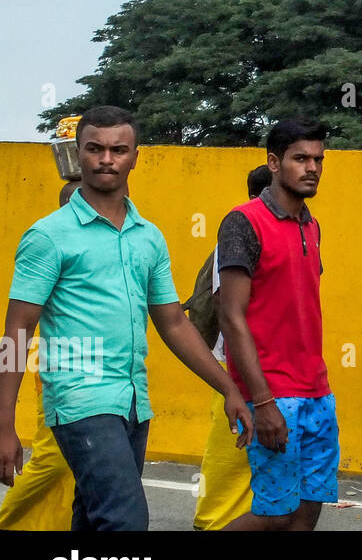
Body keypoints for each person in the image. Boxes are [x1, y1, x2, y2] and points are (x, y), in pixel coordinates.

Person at [0, 105, 252, 531]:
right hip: (80, 401)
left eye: (118, 150)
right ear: (78, 154)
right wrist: (4, 423)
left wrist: (228, 387)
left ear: (135, 156)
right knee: (125, 521)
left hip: (134, 402)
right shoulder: (48, 236)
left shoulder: (148, 237)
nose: (106, 159)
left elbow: (173, 322)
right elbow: (15, 333)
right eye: (94, 148)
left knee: (94, 520)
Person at [217, 120, 336, 531]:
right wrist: (262, 402)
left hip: (318, 391)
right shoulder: (242, 222)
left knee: (308, 512)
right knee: (276, 513)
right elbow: (231, 317)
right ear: (273, 162)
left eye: (318, 159)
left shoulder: (312, 225)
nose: (312, 168)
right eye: (301, 158)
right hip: (272, 392)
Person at [190, 165, 270, 530]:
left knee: (248, 453)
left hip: (260, 362)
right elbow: (225, 305)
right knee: (230, 451)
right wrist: (236, 374)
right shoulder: (241, 234)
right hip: (235, 363)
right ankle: (212, 522)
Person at [0, 182, 81, 530]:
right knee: (54, 460)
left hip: (104, 380)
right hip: (59, 376)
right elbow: (18, 328)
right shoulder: (51, 243)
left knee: (75, 467)